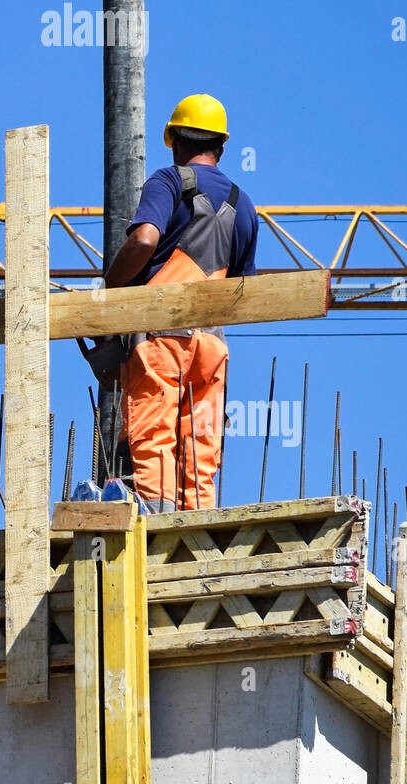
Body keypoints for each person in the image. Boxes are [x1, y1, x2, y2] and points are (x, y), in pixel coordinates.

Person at [102, 93, 258, 512]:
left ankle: (156, 524)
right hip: (212, 346)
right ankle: (199, 530)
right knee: (201, 445)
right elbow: (241, 292)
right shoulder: (243, 205)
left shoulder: (168, 180)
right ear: (221, 147)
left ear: (172, 141)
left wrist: (109, 290)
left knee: (153, 432)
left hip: (162, 336)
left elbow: (144, 238)